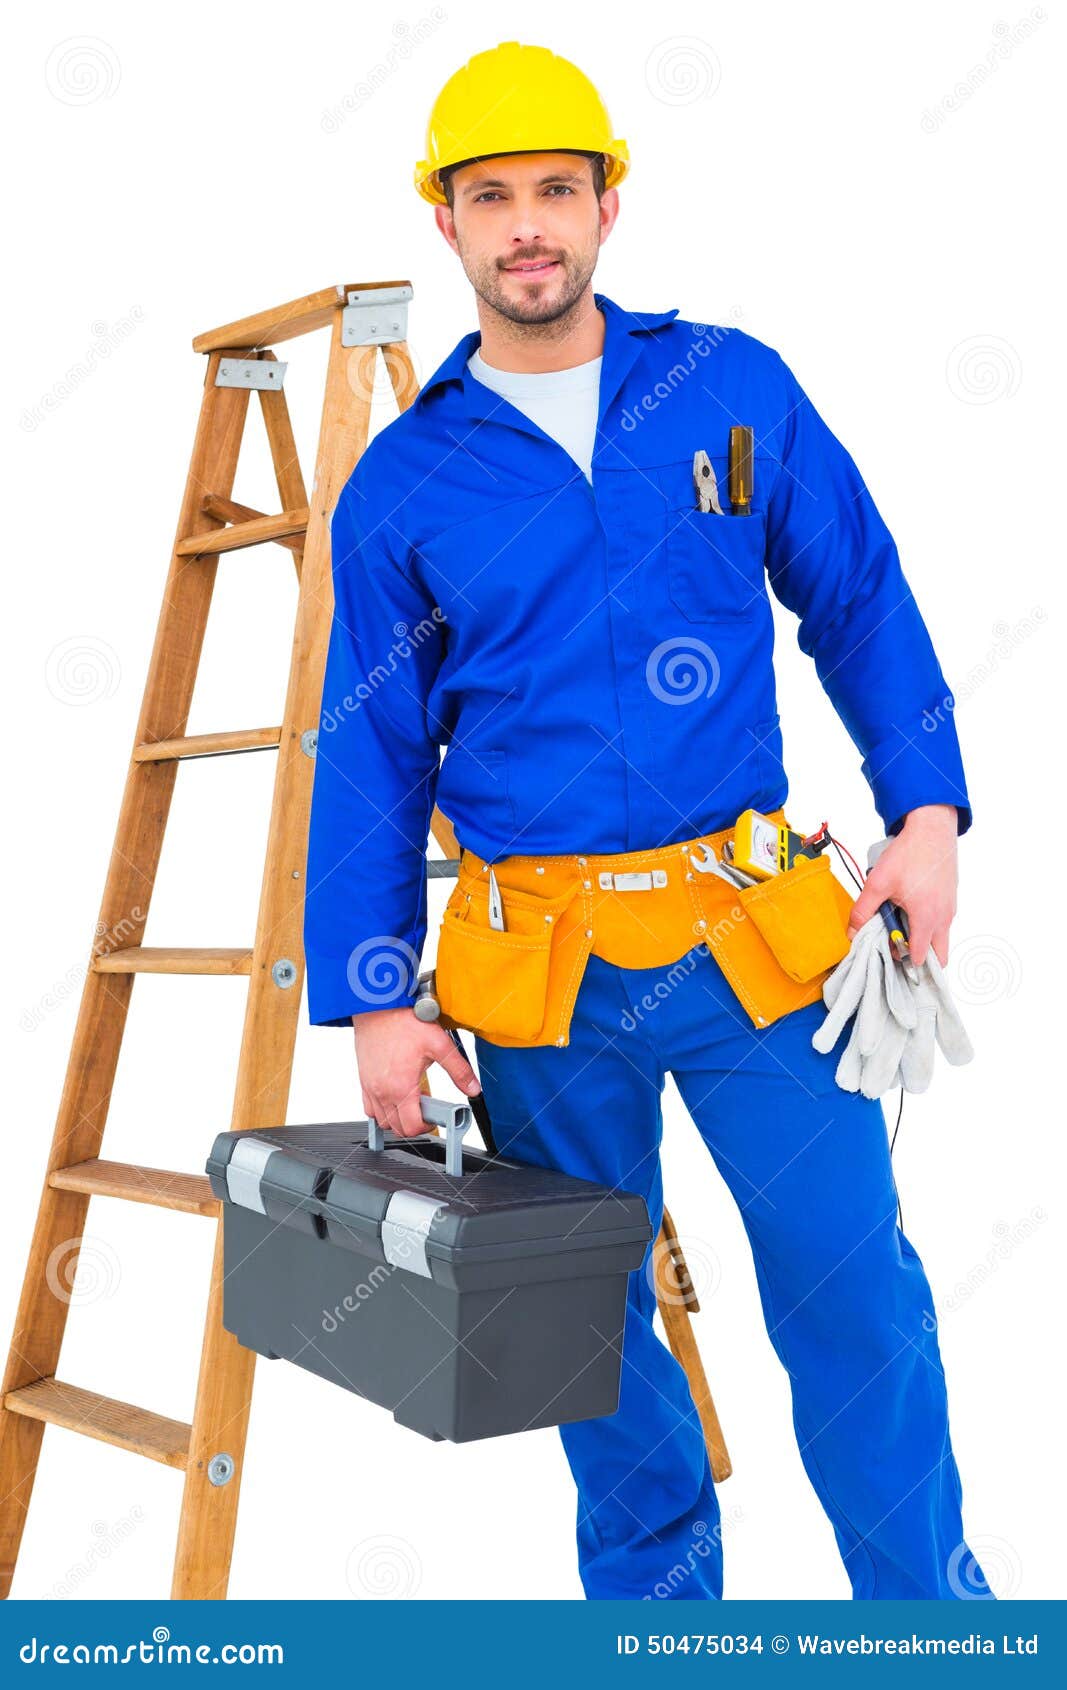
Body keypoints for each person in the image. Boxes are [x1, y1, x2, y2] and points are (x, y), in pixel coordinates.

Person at [303, 40, 991, 1602]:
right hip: (537, 974)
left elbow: (860, 594)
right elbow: (374, 752)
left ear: (610, 201)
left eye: (558, 188)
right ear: (447, 222)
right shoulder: (404, 485)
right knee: (586, 1329)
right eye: (494, 197)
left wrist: (930, 808)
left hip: (757, 941)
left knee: (854, 1290)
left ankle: (930, 1627)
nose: (528, 224)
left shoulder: (726, 387)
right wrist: (368, 992)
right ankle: (656, 1630)